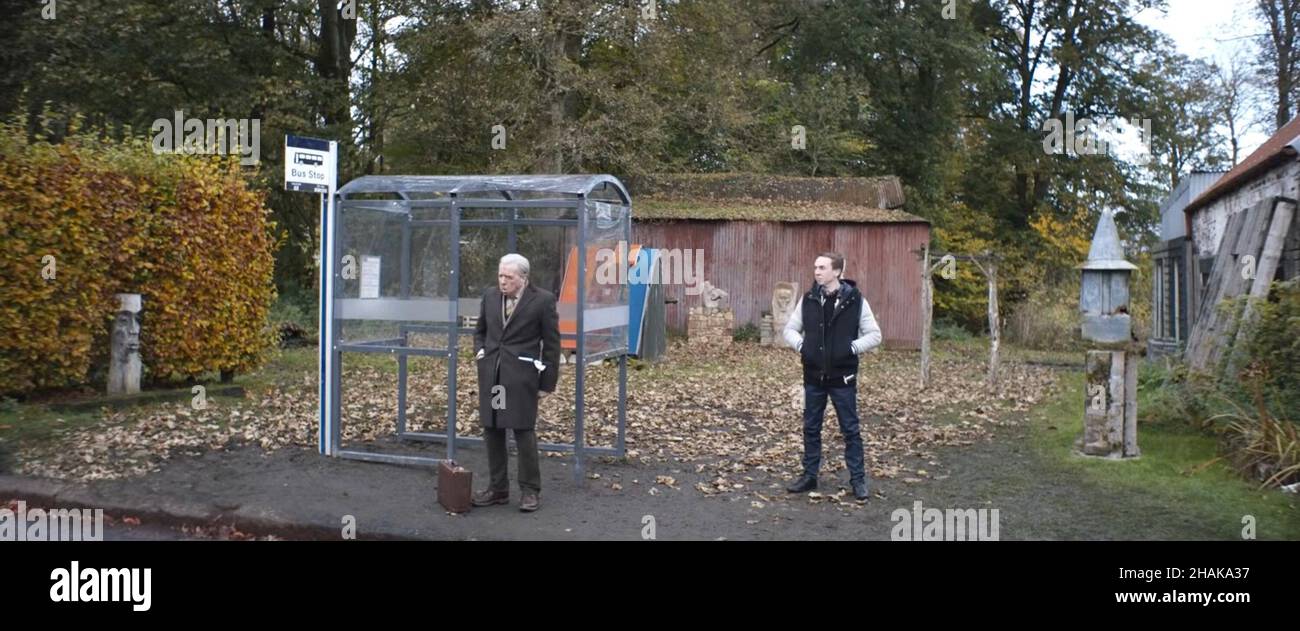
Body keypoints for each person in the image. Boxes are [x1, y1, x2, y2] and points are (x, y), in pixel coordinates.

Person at [782, 251, 882, 502]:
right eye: (815, 267)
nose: (816, 271)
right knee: (811, 427)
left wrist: (850, 348)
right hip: (813, 376)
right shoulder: (808, 299)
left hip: (843, 378)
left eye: (822, 267)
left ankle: (858, 481)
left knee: (850, 429)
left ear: (837, 272)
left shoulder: (856, 300)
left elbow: (874, 335)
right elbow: (790, 329)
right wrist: (802, 347)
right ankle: (809, 476)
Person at [471, 253, 560, 512]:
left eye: (508, 277)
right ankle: (498, 489)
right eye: (500, 275)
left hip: (522, 378)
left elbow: (552, 345)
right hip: (494, 377)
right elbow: (480, 331)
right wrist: (480, 352)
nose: (502, 281)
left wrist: (547, 383)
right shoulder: (489, 296)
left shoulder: (542, 301)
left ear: (523, 278)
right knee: (493, 428)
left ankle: (530, 490)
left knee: (522, 430)